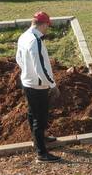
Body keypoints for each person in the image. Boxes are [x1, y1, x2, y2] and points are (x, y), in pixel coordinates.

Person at [16, 11, 60, 162]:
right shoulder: (35, 41)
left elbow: (19, 59)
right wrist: (52, 85)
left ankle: (38, 138)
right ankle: (41, 153)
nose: (48, 29)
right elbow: (40, 68)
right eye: (48, 25)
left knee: (31, 112)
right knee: (40, 119)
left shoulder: (24, 36)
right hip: (37, 86)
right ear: (43, 24)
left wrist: (27, 72)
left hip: (28, 82)